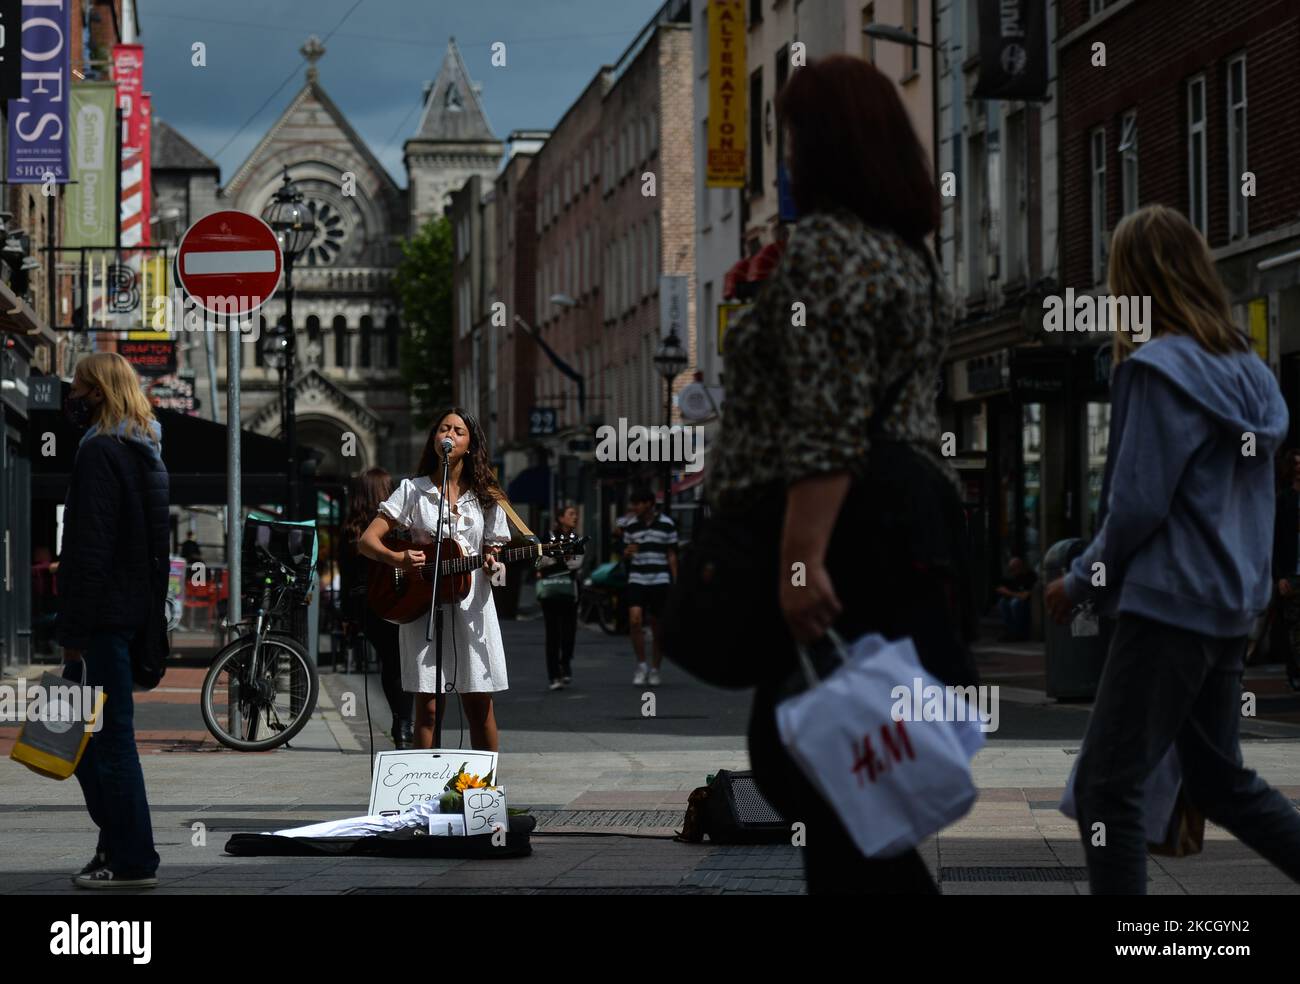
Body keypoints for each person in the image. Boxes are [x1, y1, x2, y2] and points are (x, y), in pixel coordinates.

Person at [710, 56, 977, 894]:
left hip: (839, 554)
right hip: (899, 545)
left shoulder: (827, 251)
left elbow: (828, 421)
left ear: (825, 145)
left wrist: (800, 563)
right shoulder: (908, 255)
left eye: (789, 137)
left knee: (811, 767)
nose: (782, 157)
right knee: (854, 797)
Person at [1045, 203, 1300, 894]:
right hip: (1228, 610)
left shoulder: (1157, 371)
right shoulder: (1252, 375)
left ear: (1133, 283)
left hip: (1169, 608)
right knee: (1220, 781)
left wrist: (1078, 582)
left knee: (1107, 789)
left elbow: (1136, 507)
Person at [57, 352, 168, 890]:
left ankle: (132, 859)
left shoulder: (100, 451)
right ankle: (116, 846)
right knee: (91, 740)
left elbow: (90, 550)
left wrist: (72, 633)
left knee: (105, 741)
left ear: (97, 391)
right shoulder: (144, 452)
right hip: (127, 615)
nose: (71, 397)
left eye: (77, 387)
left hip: (101, 620)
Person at [358, 408, 509, 751]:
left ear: (470, 444)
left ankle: (482, 793)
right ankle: (425, 795)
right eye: (444, 428)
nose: (450, 435)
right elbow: (367, 541)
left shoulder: (487, 496)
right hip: (423, 606)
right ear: (434, 439)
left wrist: (493, 565)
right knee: (427, 709)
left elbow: (497, 559)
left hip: (473, 609)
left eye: (458, 430)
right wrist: (398, 558)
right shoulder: (413, 490)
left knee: (479, 706)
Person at [342, 467, 414, 747]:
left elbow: (347, 576)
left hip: (366, 604)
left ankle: (401, 721)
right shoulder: (395, 524)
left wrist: (346, 615)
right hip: (395, 599)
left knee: (390, 662)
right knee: (402, 663)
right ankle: (404, 723)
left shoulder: (351, 528)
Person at [621, 488, 677, 686]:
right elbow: (626, 552)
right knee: (635, 620)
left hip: (659, 578)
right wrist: (627, 552)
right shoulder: (631, 526)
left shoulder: (667, 525)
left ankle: (655, 669)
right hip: (637, 576)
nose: (634, 508)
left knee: (657, 625)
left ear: (649, 504)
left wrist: (675, 581)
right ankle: (641, 664)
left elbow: (671, 554)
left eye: (638, 504)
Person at [537, 504, 583, 690]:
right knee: (552, 633)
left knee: (569, 632)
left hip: (570, 591)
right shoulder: (547, 538)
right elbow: (540, 561)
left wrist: (554, 559)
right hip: (549, 591)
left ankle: (566, 663)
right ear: (560, 518)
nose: (575, 517)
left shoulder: (577, 539)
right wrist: (562, 558)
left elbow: (577, 563)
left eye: (576, 515)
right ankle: (553, 674)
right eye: (571, 514)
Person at [1269, 449, 1300, 690]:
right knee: (1294, 629)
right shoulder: (1283, 500)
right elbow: (1275, 540)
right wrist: (1278, 575)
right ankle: (1295, 672)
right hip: (1291, 572)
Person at [995, 556, 1037, 641]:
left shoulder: (1029, 576)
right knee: (1002, 602)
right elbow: (999, 589)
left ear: (1020, 567)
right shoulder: (1011, 577)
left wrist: (1010, 593)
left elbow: (1024, 596)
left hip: (1028, 605)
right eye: (1011, 569)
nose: (1012, 571)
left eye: (1014, 569)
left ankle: (1020, 633)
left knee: (1015, 603)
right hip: (1015, 601)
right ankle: (1010, 631)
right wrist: (1015, 594)